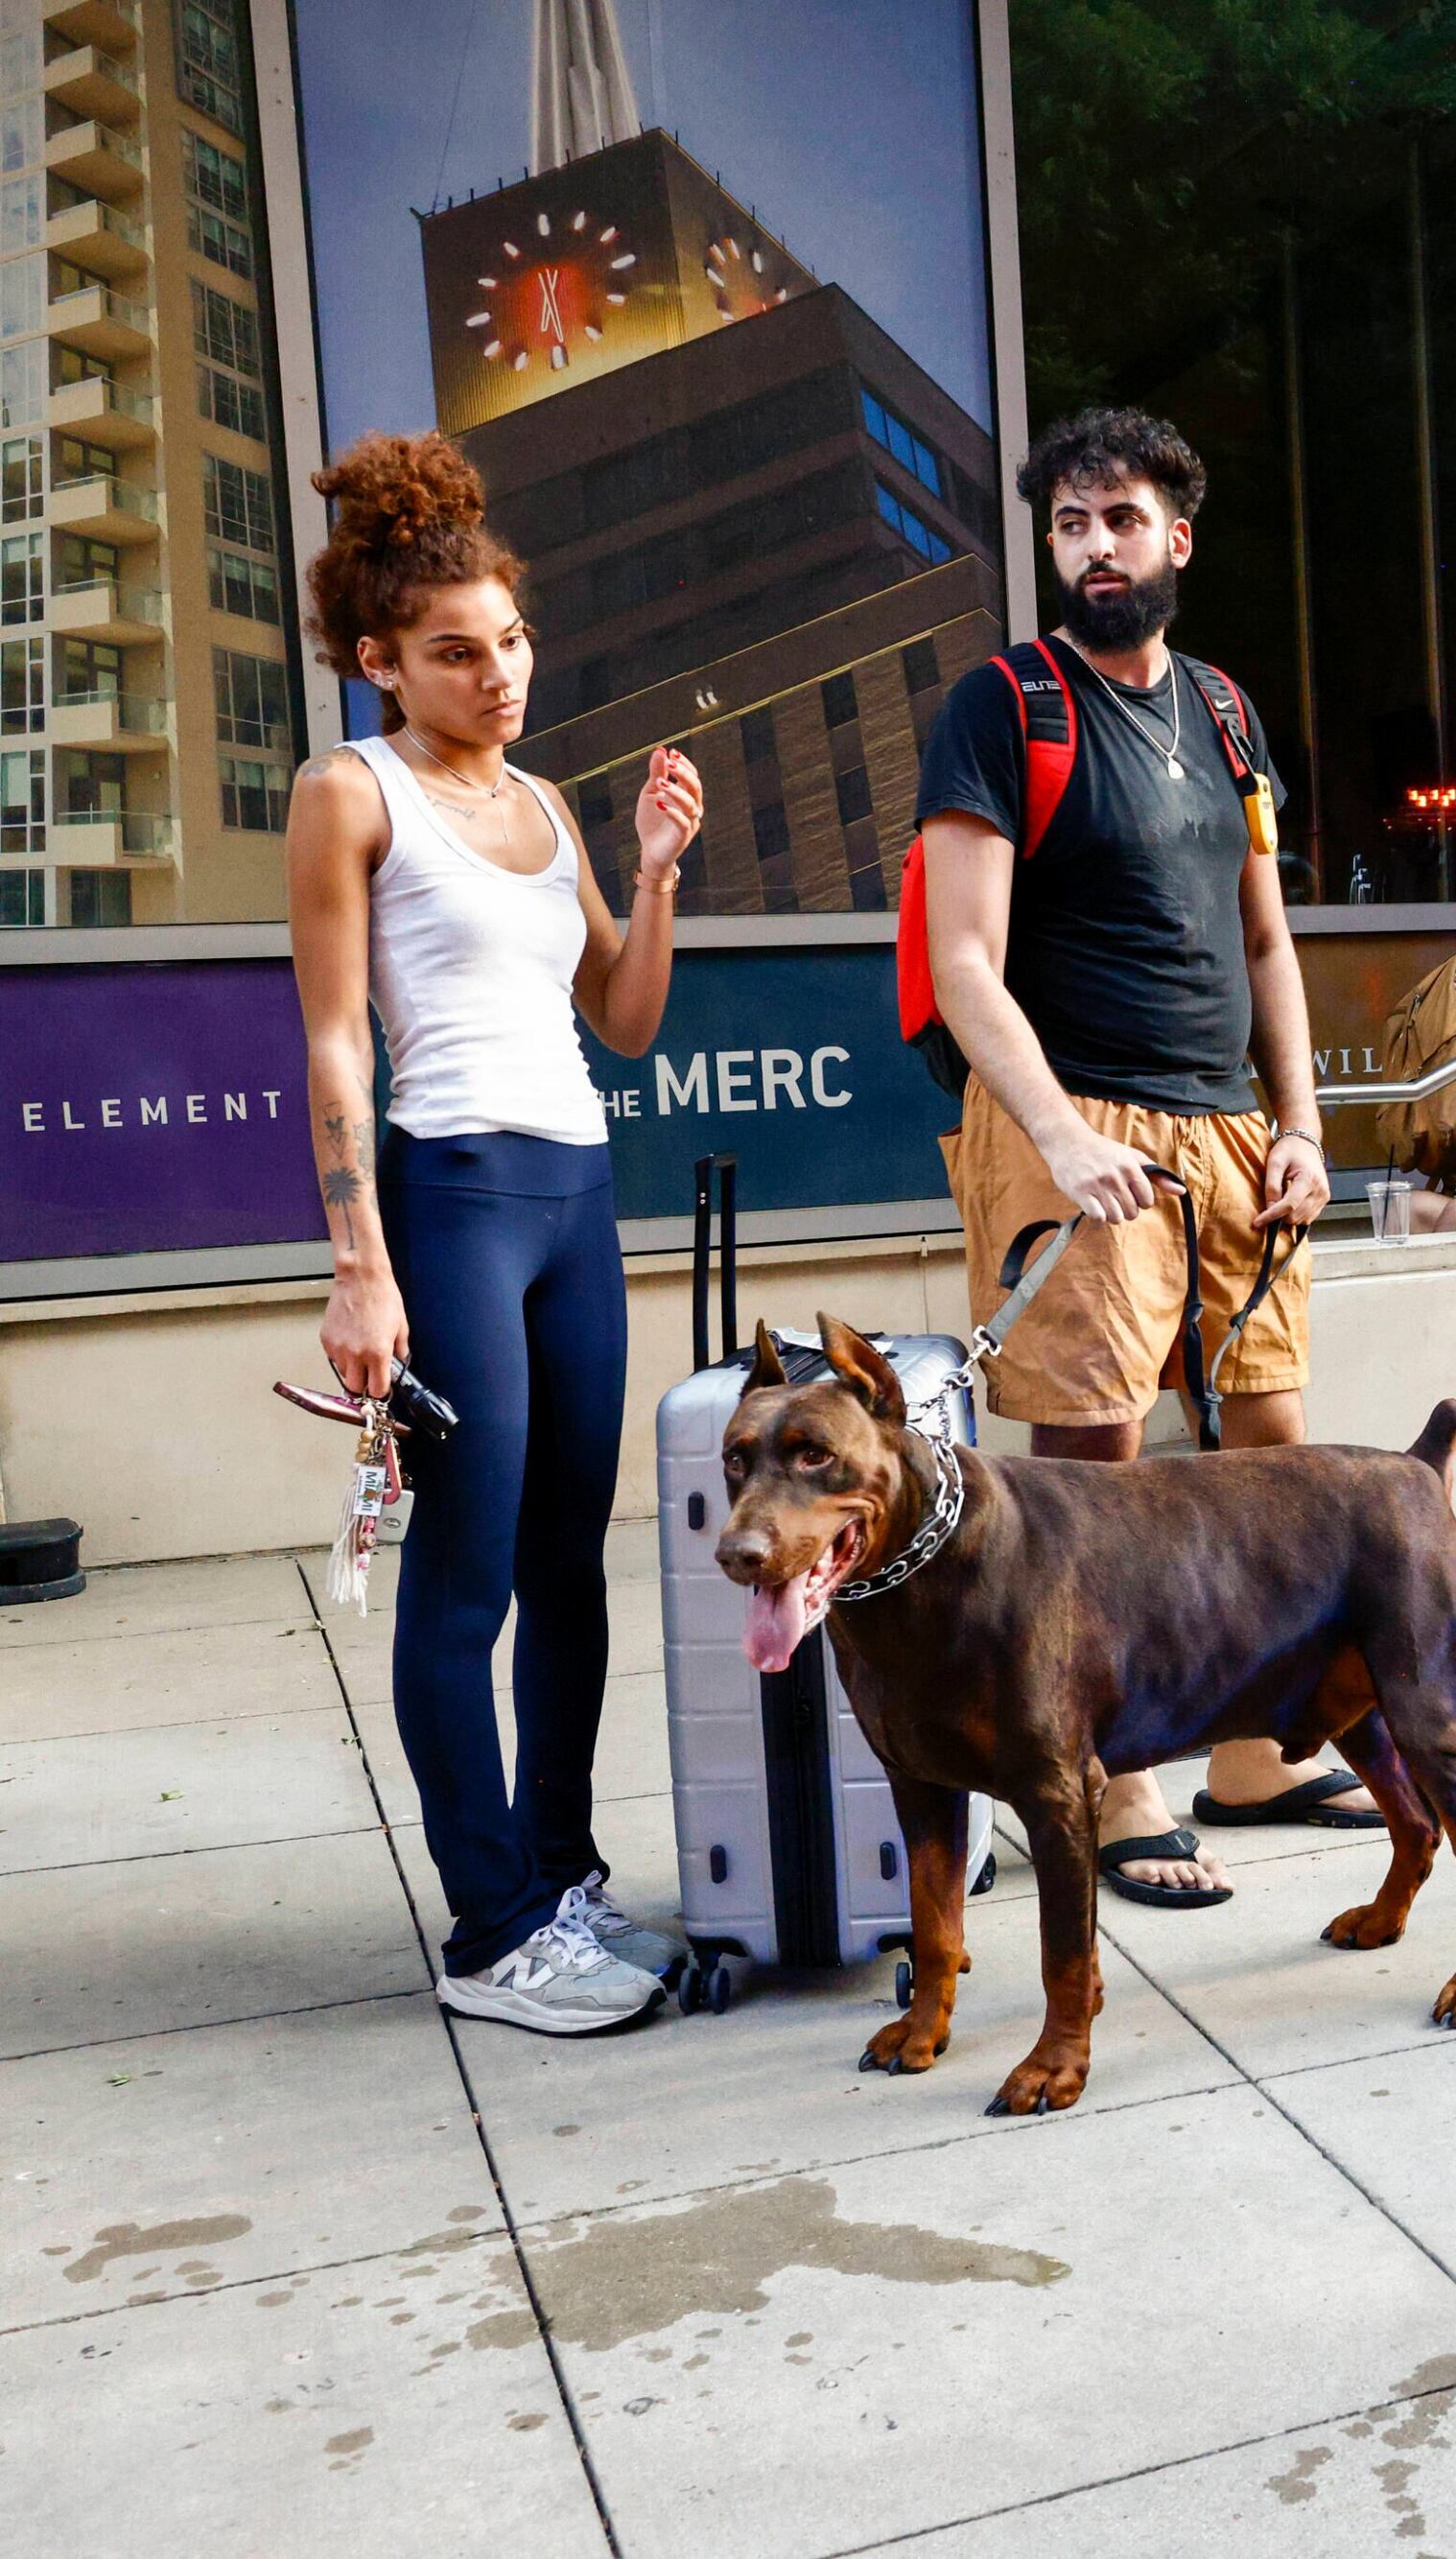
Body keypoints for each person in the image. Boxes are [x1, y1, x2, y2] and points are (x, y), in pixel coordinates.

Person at [286, 433, 708, 2032]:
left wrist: (656, 873)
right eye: (458, 652)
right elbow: (336, 1038)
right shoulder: (352, 790)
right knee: (463, 1575)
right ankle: (490, 1930)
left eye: (513, 639)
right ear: (382, 660)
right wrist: (357, 1263)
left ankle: (560, 1870)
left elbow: (626, 1013)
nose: (500, 671)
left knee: (569, 1567)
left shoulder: (545, 802)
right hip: (450, 1192)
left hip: (576, 1191)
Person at [913, 406, 1350, 1909]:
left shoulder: (1225, 710)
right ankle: (1108, 1775)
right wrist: (1057, 1135)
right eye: (1068, 525)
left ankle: (1257, 1748)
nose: (1094, 548)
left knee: (1272, 1461)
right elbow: (968, 963)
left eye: (1121, 519)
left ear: (1179, 534)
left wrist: (1300, 1127)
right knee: (1086, 1473)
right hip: (1073, 1116)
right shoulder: (1002, 705)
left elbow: (1269, 941)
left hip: (1227, 1127)